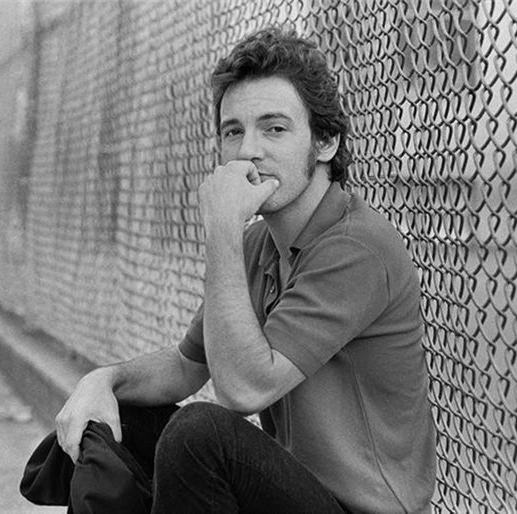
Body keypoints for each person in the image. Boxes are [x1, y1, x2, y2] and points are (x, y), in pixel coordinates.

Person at [53, 27, 436, 513]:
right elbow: (185, 367)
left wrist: (221, 227)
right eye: (234, 131)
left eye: (274, 129)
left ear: (325, 142)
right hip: (293, 493)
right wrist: (102, 382)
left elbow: (244, 390)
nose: (248, 150)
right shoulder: (257, 244)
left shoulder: (356, 247)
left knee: (199, 436)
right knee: (117, 419)